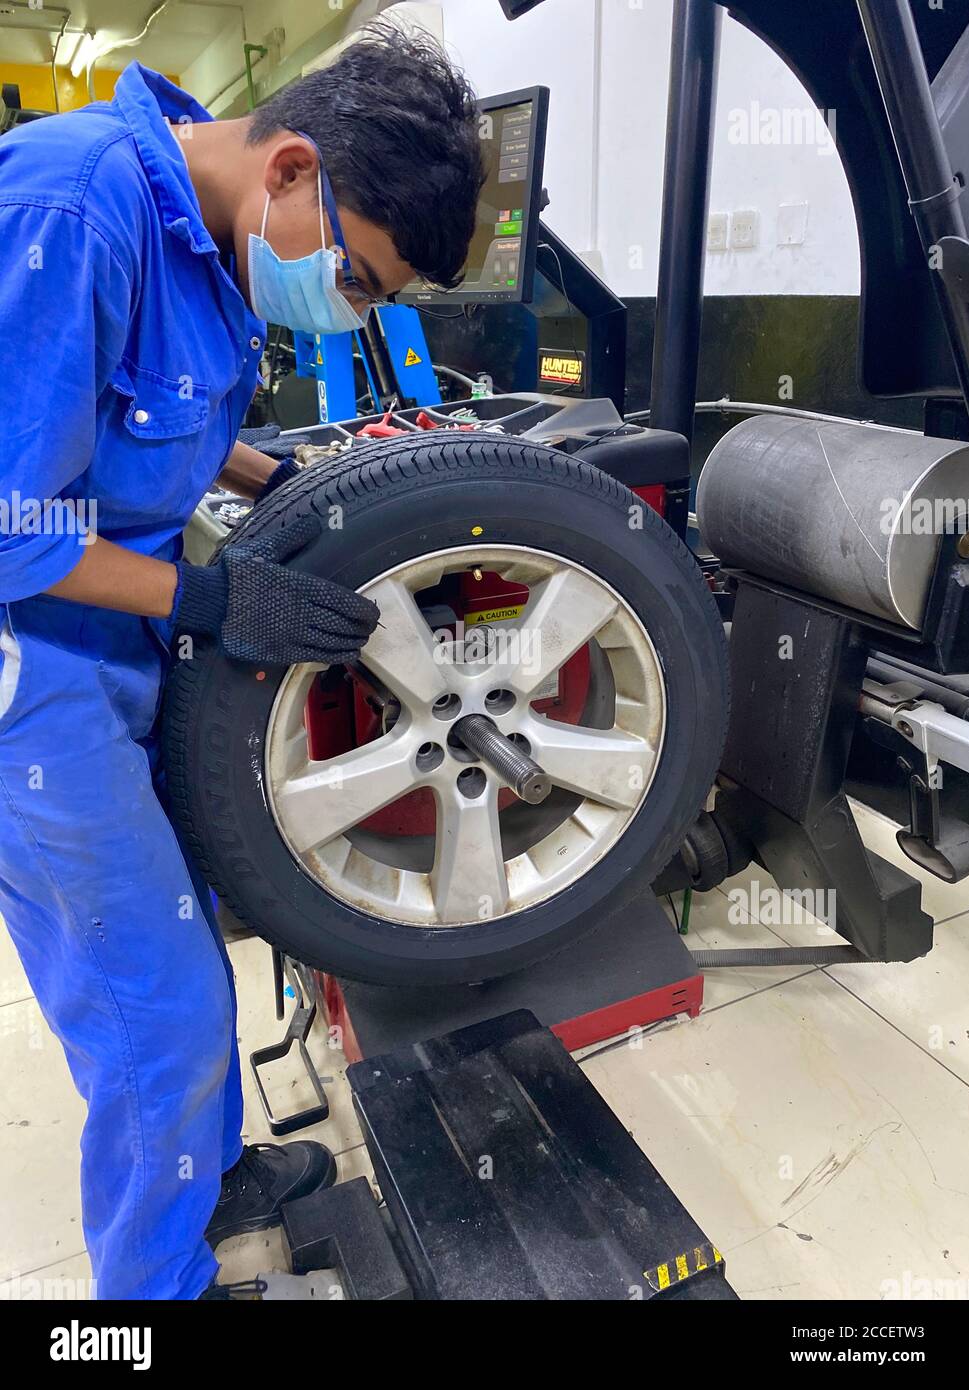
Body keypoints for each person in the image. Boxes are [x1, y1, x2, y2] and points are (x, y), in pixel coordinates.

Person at [0, 20, 483, 1299]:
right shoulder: (76, 204)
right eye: (365, 278)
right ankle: (153, 1295)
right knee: (148, 1002)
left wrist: (296, 484)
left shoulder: (207, 236)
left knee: (182, 940)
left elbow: (147, 407)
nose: (354, 303)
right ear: (294, 169)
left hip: (105, 636)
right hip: (23, 678)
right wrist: (214, 597)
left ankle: (208, 1182)